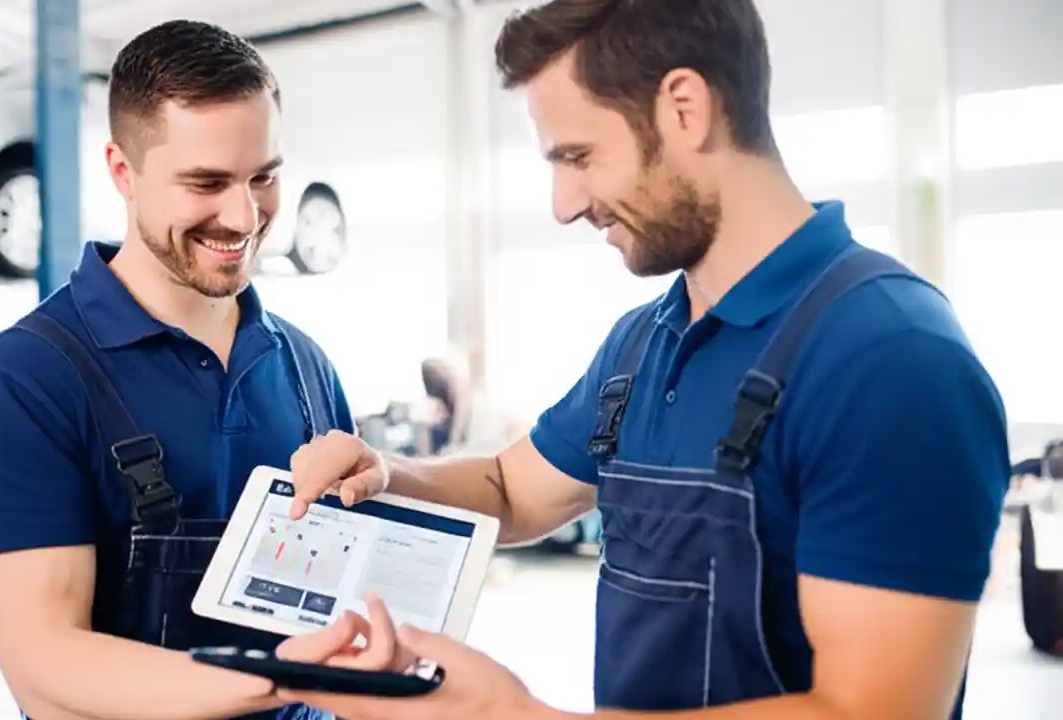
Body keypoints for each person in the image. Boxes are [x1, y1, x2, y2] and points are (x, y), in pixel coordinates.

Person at [281, 1, 1010, 718]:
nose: (564, 205)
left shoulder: (893, 360)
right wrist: (386, 474)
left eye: (579, 157)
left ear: (684, 109)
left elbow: (873, 711)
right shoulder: (643, 343)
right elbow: (510, 489)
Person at [0, 20, 394, 720]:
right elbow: (46, 666)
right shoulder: (22, 382)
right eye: (206, 182)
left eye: (264, 177)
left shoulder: (306, 368)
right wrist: (278, 679)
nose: (244, 215)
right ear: (123, 172)